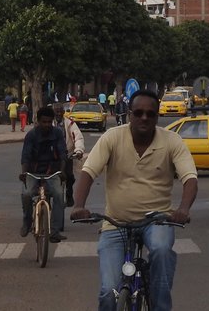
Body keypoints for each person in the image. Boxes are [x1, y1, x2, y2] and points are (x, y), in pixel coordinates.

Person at [71, 88, 197, 311]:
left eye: (150, 114)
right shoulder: (112, 137)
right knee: (109, 292)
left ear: (157, 116)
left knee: (161, 251)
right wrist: (79, 205)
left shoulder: (172, 141)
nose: (144, 118)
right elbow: (88, 173)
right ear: (129, 114)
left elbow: (190, 179)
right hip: (115, 223)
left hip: (157, 221)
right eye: (138, 113)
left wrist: (183, 209)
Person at [20, 105, 68, 242]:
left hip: (52, 172)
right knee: (27, 194)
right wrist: (24, 173)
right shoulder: (31, 135)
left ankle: (54, 231)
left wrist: (62, 171)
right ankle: (27, 222)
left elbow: (63, 153)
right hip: (33, 172)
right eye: (43, 122)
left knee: (59, 194)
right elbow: (25, 156)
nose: (46, 125)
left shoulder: (58, 133)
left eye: (49, 122)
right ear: (38, 121)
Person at [55, 104, 85, 203]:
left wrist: (79, 150)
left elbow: (78, 137)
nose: (58, 114)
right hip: (52, 156)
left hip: (67, 154)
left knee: (69, 176)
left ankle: (69, 193)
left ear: (63, 112)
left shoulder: (70, 123)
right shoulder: (49, 123)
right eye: (56, 112)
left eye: (60, 112)